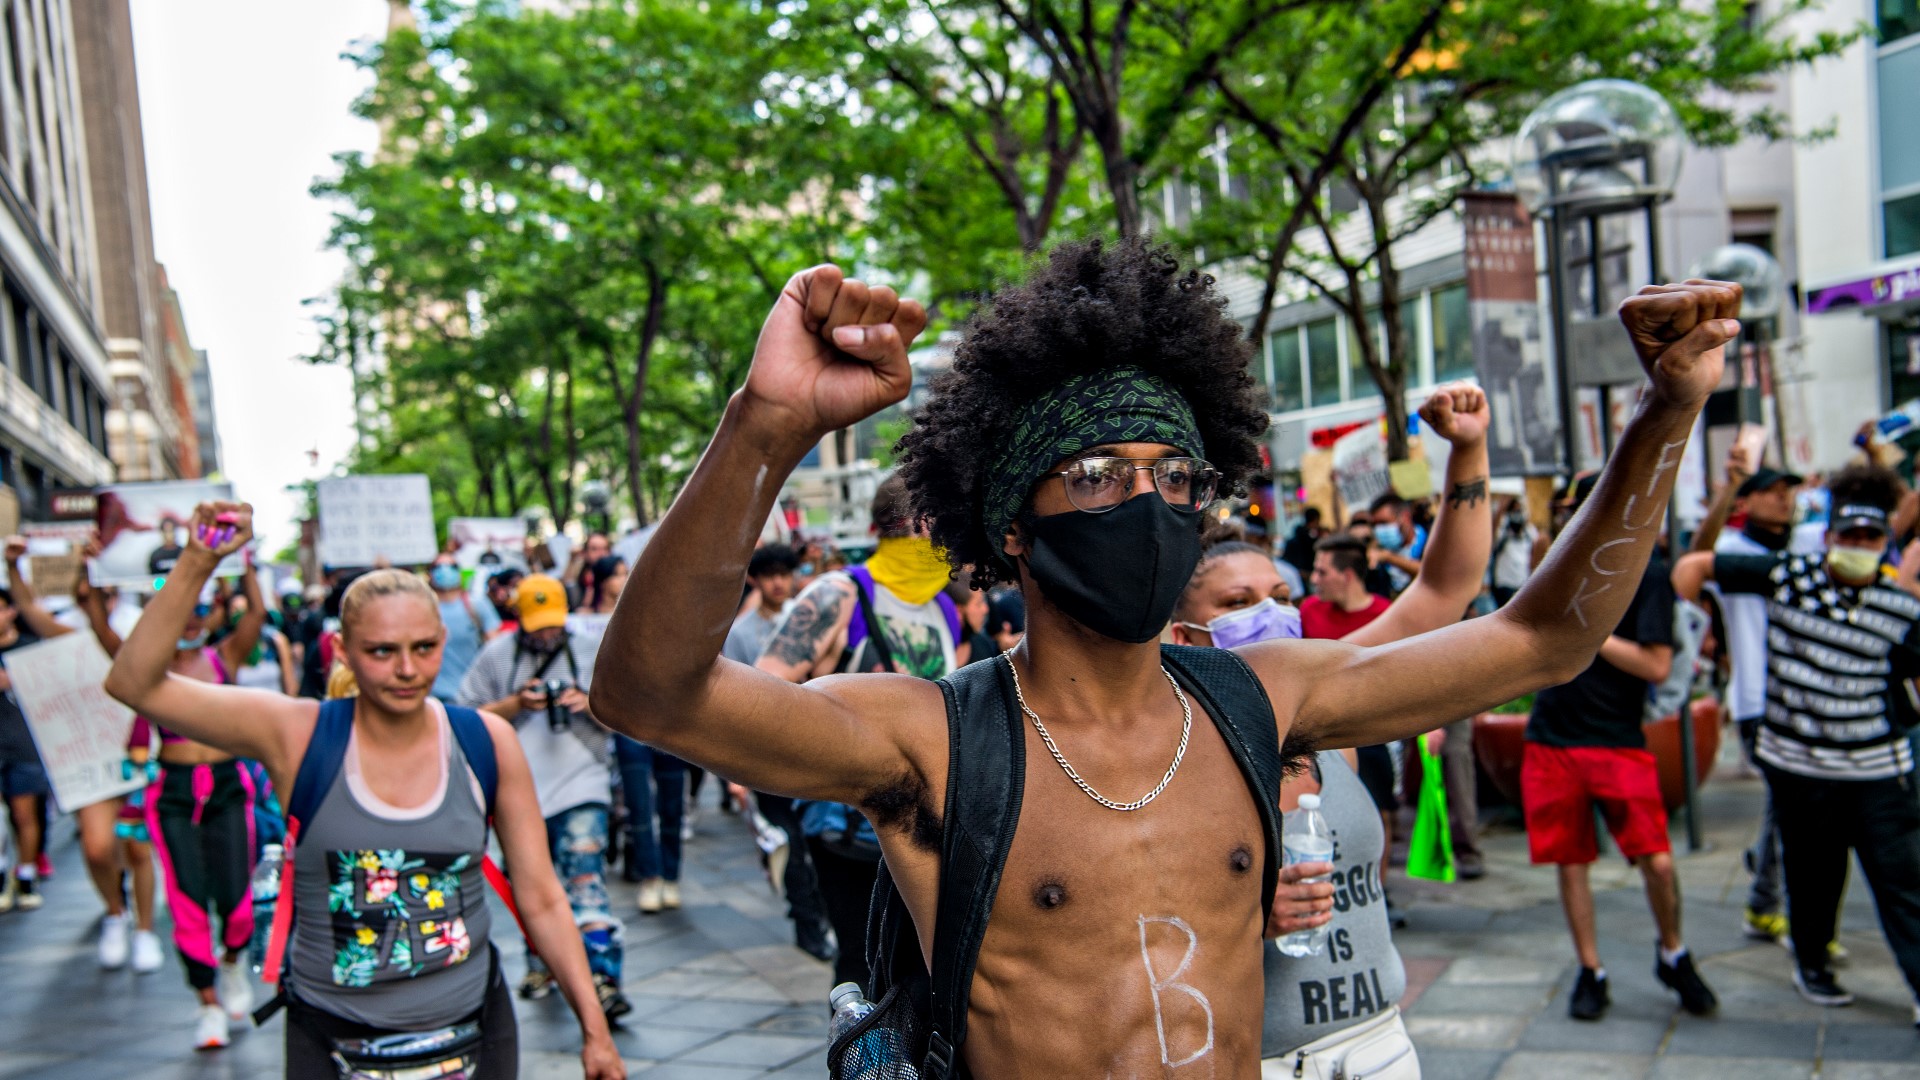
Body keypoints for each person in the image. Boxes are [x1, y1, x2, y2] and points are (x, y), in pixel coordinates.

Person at [590, 240, 1741, 1073]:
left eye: (1175, 474)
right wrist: (767, 425)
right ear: (1011, 523)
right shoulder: (931, 739)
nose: (1146, 502)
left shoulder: (1263, 698)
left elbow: (1543, 636)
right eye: (1096, 474)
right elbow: (647, 693)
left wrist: (1667, 408)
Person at [102, 509, 623, 1079]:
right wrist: (199, 560)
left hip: (474, 1034)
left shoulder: (485, 741)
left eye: (425, 648)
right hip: (332, 1040)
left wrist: (595, 1031)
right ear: (342, 650)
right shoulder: (298, 735)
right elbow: (133, 683)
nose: (407, 670)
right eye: (381, 651)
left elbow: (542, 897)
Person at [1674, 465, 1920, 1024]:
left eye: (1871, 539)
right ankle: (1812, 966)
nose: (1859, 547)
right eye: (1850, 537)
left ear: (1883, 544)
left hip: (1877, 771)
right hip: (1801, 766)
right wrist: (1681, 643)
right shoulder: (1788, 575)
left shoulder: (1900, 607)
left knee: (1902, 882)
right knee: (1813, 876)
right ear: (1829, 537)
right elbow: (1695, 564)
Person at [749, 474, 963, 993]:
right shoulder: (840, 592)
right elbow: (763, 693)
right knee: (863, 971)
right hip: (849, 823)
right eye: (944, 523)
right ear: (918, 525)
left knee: (929, 977)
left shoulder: (942, 606)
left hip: (929, 822)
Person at [1522, 471, 1714, 1021]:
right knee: (1571, 861)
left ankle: (1673, 951)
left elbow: (1656, 665)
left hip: (1616, 739)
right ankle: (1591, 970)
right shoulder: (1557, 568)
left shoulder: (1646, 575)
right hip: (1553, 737)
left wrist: (1592, 635)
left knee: (1657, 861)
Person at [78, 549, 281, 1048]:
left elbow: (257, 613)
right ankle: (207, 1003)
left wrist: (244, 562)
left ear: (211, 612)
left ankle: (231, 961)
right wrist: (93, 573)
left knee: (237, 904)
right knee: (188, 899)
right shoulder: (150, 666)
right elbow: (101, 630)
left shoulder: (223, 656)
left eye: (200, 609)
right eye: (182, 610)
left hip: (228, 786)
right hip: (173, 791)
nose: (191, 619)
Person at [456, 574, 629, 1017]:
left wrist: (588, 703)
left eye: (553, 623)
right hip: (518, 791)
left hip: (582, 783)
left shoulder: (591, 650)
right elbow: (467, 717)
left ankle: (602, 976)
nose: (547, 632)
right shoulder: (496, 655)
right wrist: (516, 704)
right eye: (538, 625)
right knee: (530, 886)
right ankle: (542, 965)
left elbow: (627, 718)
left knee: (586, 878)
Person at [1688, 449, 1814, 946]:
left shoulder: (1807, 542)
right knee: (1791, 802)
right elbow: (1696, 554)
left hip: (1811, 698)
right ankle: (1764, 902)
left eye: (1789, 491)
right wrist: (1728, 488)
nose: (1784, 499)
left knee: (1794, 804)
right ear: (1748, 500)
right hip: (1758, 700)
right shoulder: (1733, 548)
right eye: (1772, 491)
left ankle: (1764, 870)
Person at [720, 543, 831, 959]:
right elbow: (732, 700)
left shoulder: (806, 620)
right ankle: (807, 924)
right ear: (756, 580)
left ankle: (819, 917)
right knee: (791, 844)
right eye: (771, 576)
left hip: (814, 745)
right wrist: (735, 771)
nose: (779, 583)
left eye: (785, 574)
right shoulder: (741, 633)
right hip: (766, 752)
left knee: (819, 842)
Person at [0, 538, 74, 914]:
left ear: (11, 611)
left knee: (25, 814)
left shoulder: (31, 645)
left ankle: (26, 875)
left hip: (26, 745)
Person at [431, 554, 499, 704]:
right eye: (438, 567)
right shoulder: (424, 608)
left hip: (471, 696)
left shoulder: (477, 605)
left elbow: (495, 647)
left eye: (451, 566)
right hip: (434, 698)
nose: (445, 570)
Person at [1369, 493, 1425, 596]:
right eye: (1375, 525)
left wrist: (1390, 558)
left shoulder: (1433, 541)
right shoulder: (1377, 556)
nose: (1379, 529)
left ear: (1405, 517)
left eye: (1384, 523)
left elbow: (1431, 573)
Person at [1490, 495, 1539, 608]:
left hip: (1523, 583)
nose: (1517, 514)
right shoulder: (1503, 532)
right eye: (1514, 510)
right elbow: (1493, 533)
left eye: (1519, 510)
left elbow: (1536, 549)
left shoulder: (1529, 532)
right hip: (1505, 584)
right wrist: (1501, 510)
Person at [1280, 506, 1323, 579]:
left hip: (1294, 576)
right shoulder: (1313, 540)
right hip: (1303, 576)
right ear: (1315, 520)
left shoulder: (1293, 539)